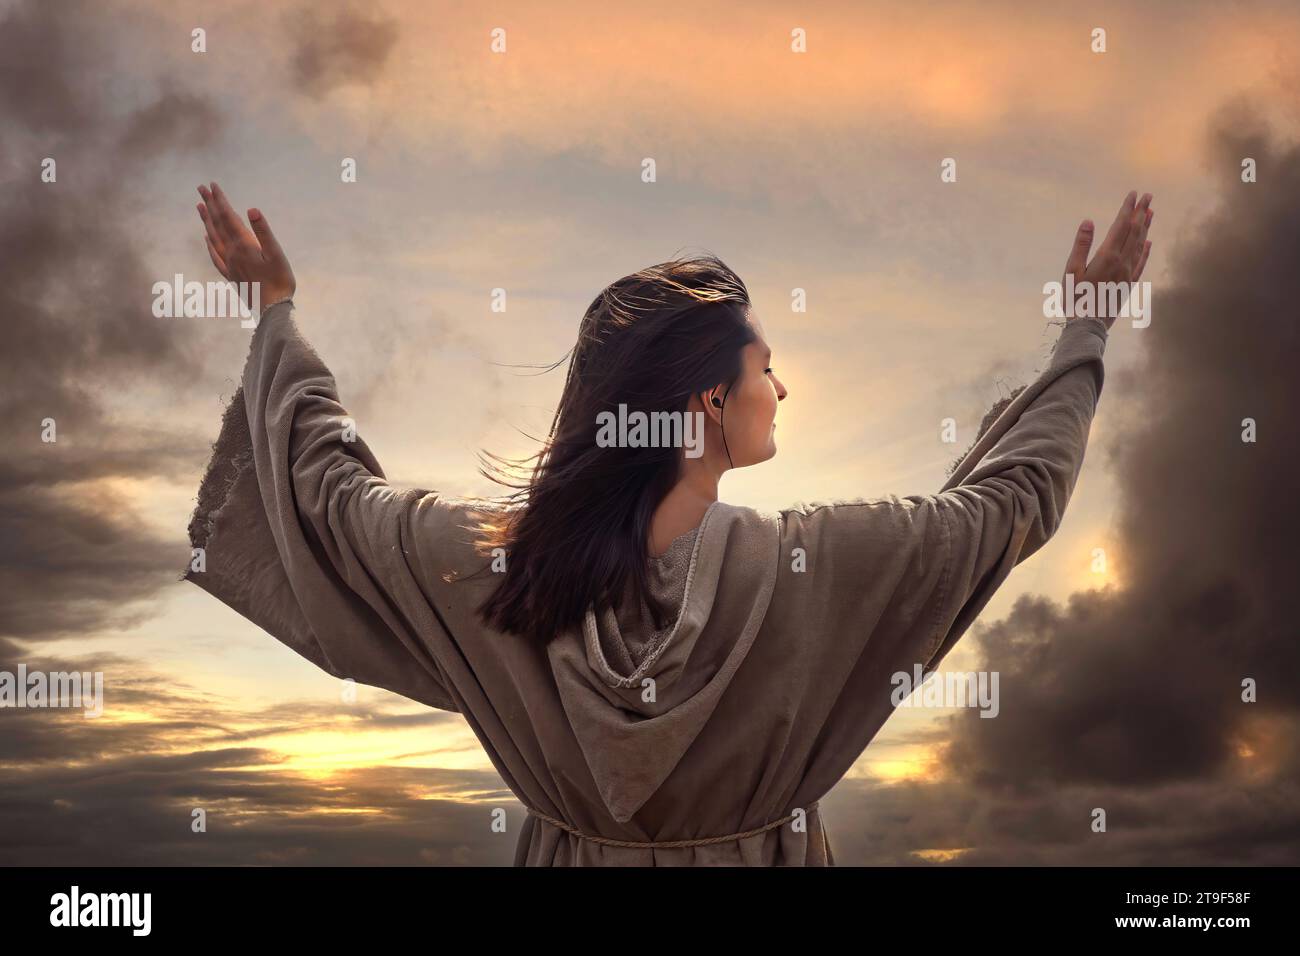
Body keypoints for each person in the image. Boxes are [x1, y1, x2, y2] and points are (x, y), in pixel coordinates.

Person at [186, 183, 1153, 865]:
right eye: (764, 367)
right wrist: (1088, 326)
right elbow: (1005, 504)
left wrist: (274, 313)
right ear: (704, 405)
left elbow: (326, 495)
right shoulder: (814, 565)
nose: (780, 387)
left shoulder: (491, 569)